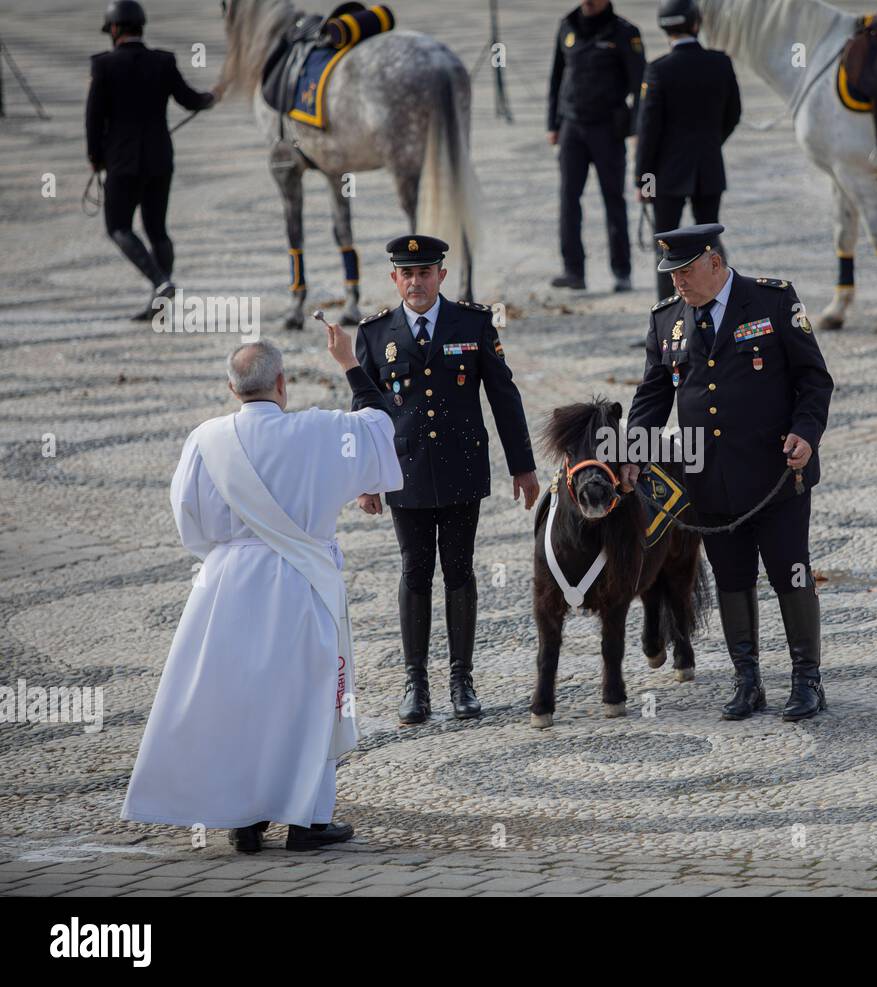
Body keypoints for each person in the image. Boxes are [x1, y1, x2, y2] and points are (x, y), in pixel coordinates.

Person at [121, 329, 402, 853]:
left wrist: (228, 557)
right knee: (310, 699)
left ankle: (244, 819)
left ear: (232, 390)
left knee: (240, 700)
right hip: (305, 583)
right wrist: (348, 363)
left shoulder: (206, 440)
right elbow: (378, 424)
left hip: (226, 583)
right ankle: (307, 820)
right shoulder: (318, 431)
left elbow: (189, 522)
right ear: (282, 383)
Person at [623, 224, 835, 721]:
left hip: (777, 475)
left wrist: (807, 432)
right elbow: (652, 397)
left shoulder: (772, 302)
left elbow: (814, 378)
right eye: (670, 274)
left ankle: (807, 680)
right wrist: (632, 451)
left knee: (791, 572)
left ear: (714, 262)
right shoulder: (666, 322)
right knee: (732, 578)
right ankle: (748, 679)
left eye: (686, 271)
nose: (677, 283)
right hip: (711, 481)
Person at [353, 236, 540, 725]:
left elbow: (504, 395)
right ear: (394, 279)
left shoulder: (473, 323)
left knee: (458, 570)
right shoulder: (375, 333)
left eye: (425, 273)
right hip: (406, 471)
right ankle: (415, 682)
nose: (416, 282)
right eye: (407, 274)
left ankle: (462, 679)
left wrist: (523, 466)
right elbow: (365, 411)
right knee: (415, 569)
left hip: (461, 467)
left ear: (441, 275)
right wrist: (366, 478)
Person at [85, 0, 218, 320]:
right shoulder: (163, 62)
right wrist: (213, 96)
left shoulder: (104, 66)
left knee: (118, 226)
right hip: (160, 159)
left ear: (114, 29)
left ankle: (161, 282)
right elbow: (190, 100)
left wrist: (95, 157)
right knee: (157, 229)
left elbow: (93, 118)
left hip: (122, 162)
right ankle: (160, 296)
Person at [636, 0, 742, 300]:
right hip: (709, 165)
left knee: (666, 250)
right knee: (710, 245)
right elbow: (733, 114)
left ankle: (667, 318)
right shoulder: (721, 63)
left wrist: (643, 181)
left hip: (666, 173)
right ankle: (724, 307)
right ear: (697, 24)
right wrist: (711, 143)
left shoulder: (658, 70)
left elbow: (648, 133)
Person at [546, 0, 645, 292]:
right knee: (568, 198)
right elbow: (556, 77)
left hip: (607, 129)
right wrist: (552, 124)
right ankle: (573, 270)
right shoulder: (567, 25)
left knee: (613, 200)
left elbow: (641, 86)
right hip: (571, 128)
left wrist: (638, 129)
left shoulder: (625, 32)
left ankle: (621, 271)